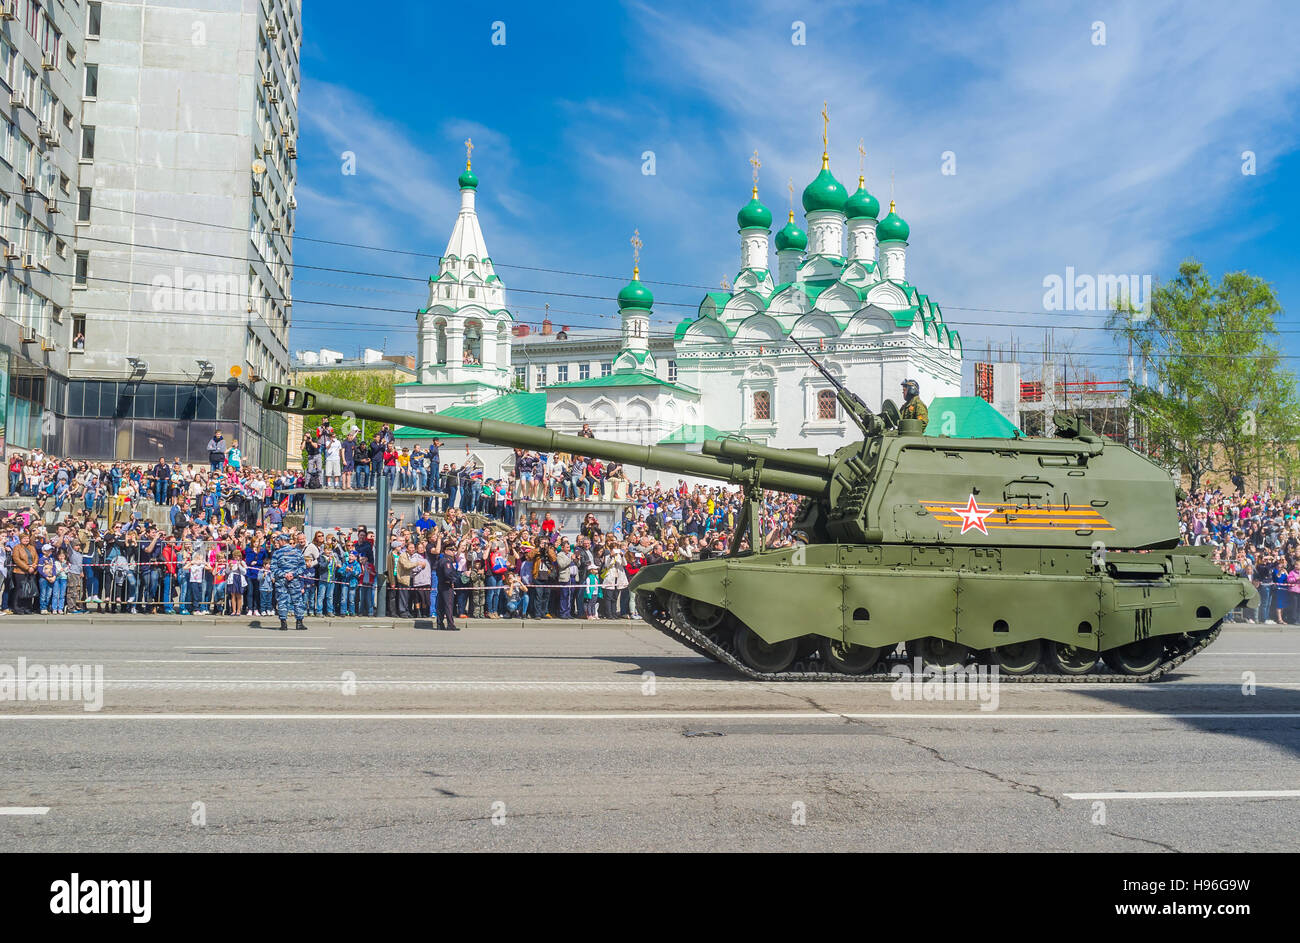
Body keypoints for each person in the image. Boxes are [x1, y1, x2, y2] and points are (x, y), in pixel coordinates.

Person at [269, 532, 309, 631]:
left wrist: (284, 574)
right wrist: (293, 574)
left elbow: (273, 567)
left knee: (282, 601)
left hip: (282, 580)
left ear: (282, 541)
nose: (278, 542)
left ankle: (283, 624)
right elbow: (303, 566)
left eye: (279, 541)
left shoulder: (277, 553)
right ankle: (299, 623)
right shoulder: (297, 552)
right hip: (294, 580)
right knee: (298, 601)